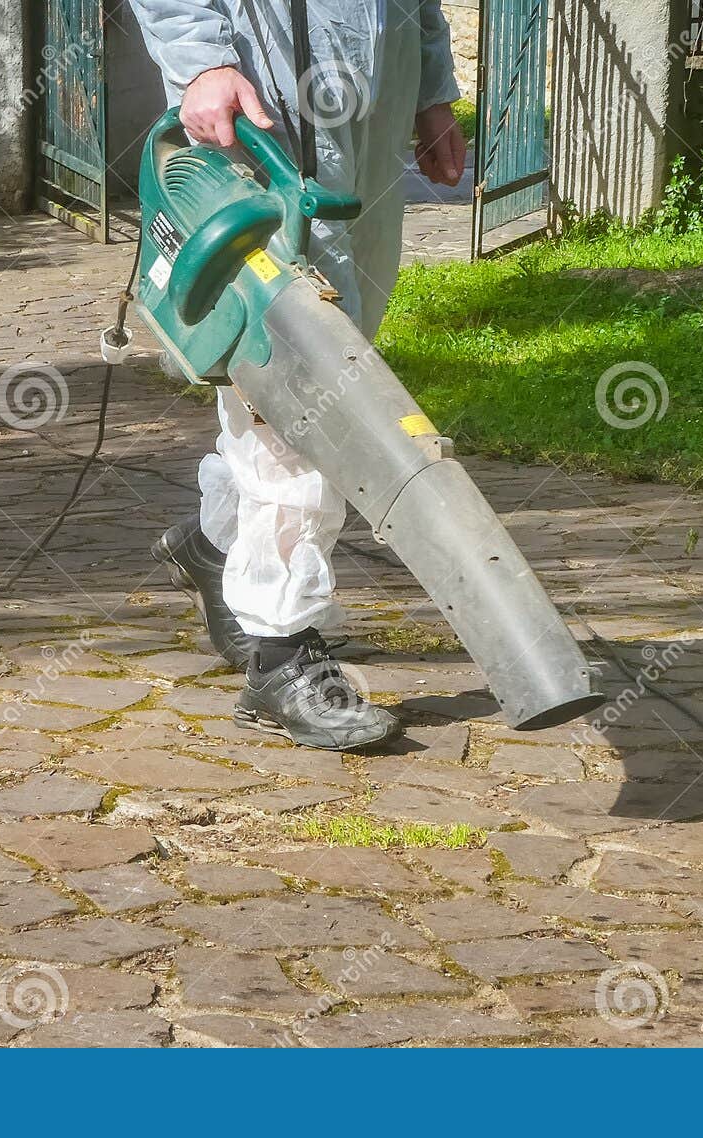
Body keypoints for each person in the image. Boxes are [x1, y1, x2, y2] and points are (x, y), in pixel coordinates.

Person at [130, 0, 467, 750]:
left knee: (324, 361)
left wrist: (430, 93)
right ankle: (283, 653)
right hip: (259, 115)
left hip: (365, 135)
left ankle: (217, 547)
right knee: (302, 384)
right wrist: (201, 60)